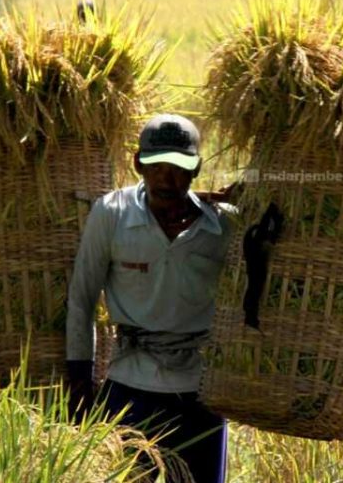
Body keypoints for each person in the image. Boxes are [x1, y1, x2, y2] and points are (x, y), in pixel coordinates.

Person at [66, 114, 234, 483]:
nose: (166, 178)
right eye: (156, 166)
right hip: (130, 387)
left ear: (196, 170)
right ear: (137, 164)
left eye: (178, 168)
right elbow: (82, 298)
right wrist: (79, 379)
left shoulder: (222, 226)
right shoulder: (112, 214)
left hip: (200, 393)